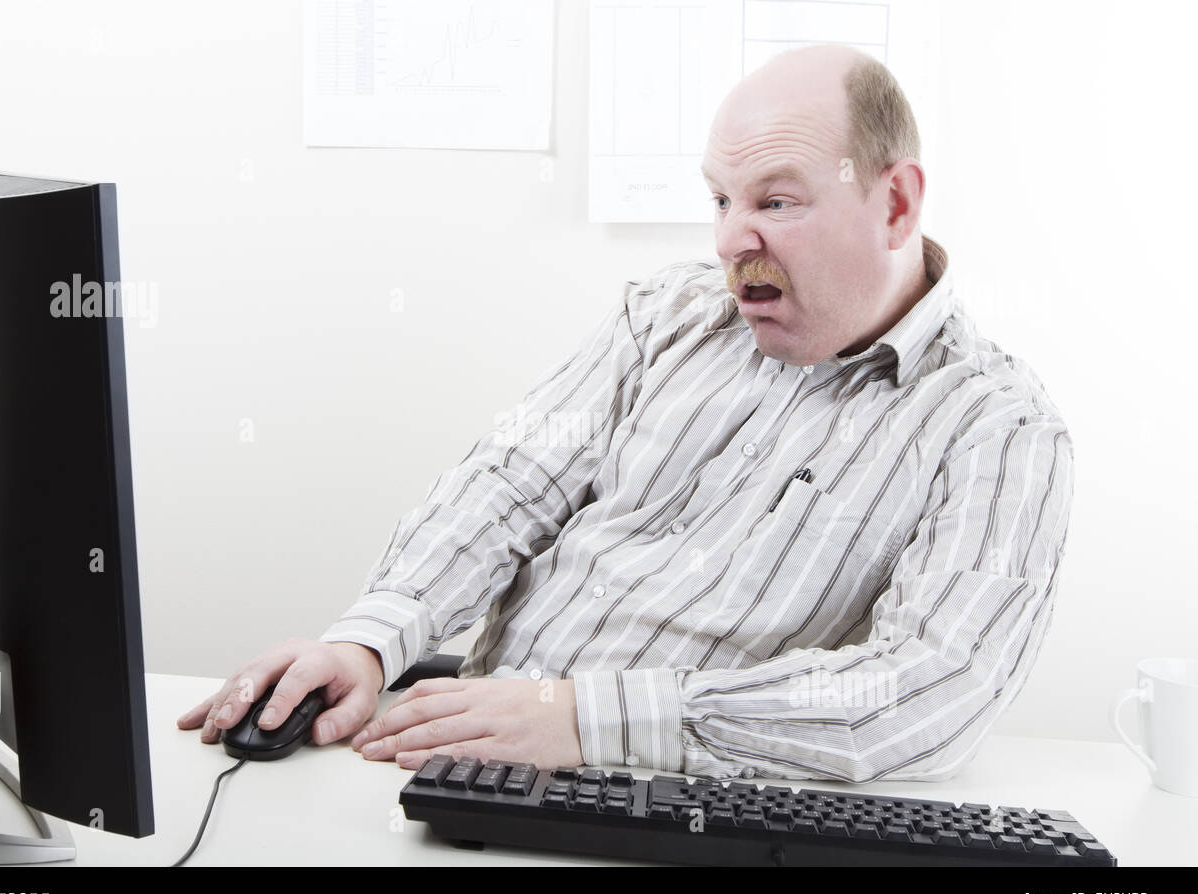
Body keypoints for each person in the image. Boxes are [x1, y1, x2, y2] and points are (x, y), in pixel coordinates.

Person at [178, 43, 1073, 783]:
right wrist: (372, 642)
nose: (730, 241)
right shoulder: (666, 318)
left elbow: (932, 689)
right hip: (459, 762)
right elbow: (511, 482)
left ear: (897, 203)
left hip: (669, 807)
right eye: (720, 201)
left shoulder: (999, 431)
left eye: (775, 201)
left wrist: (583, 720)